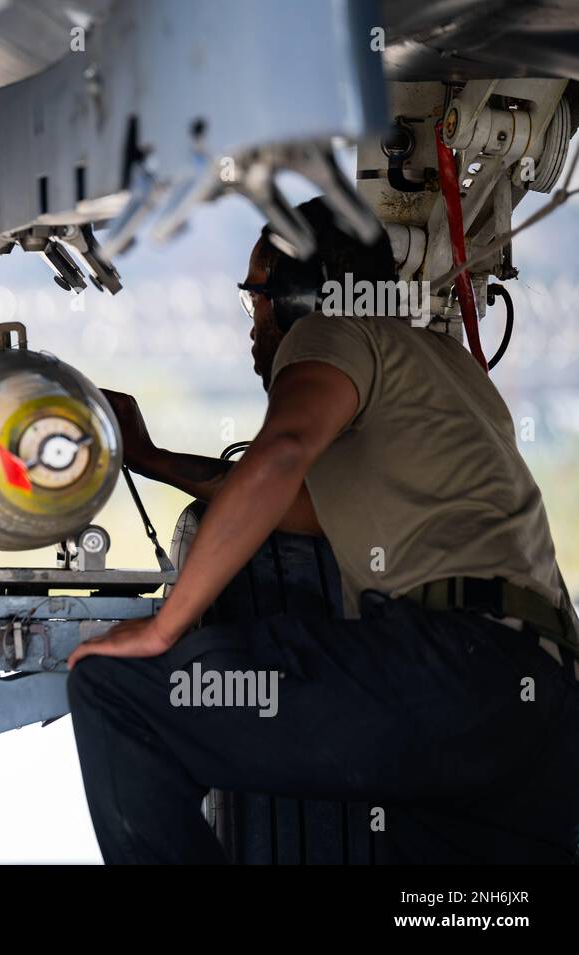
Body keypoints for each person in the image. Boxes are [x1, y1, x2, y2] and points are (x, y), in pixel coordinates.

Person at [68, 198, 579, 864]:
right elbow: (304, 505)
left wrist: (164, 629)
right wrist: (158, 458)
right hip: (545, 706)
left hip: (450, 667)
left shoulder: (326, 332)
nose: (252, 325)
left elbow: (282, 451)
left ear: (303, 293)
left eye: (257, 297)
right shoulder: (447, 370)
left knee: (118, 696)